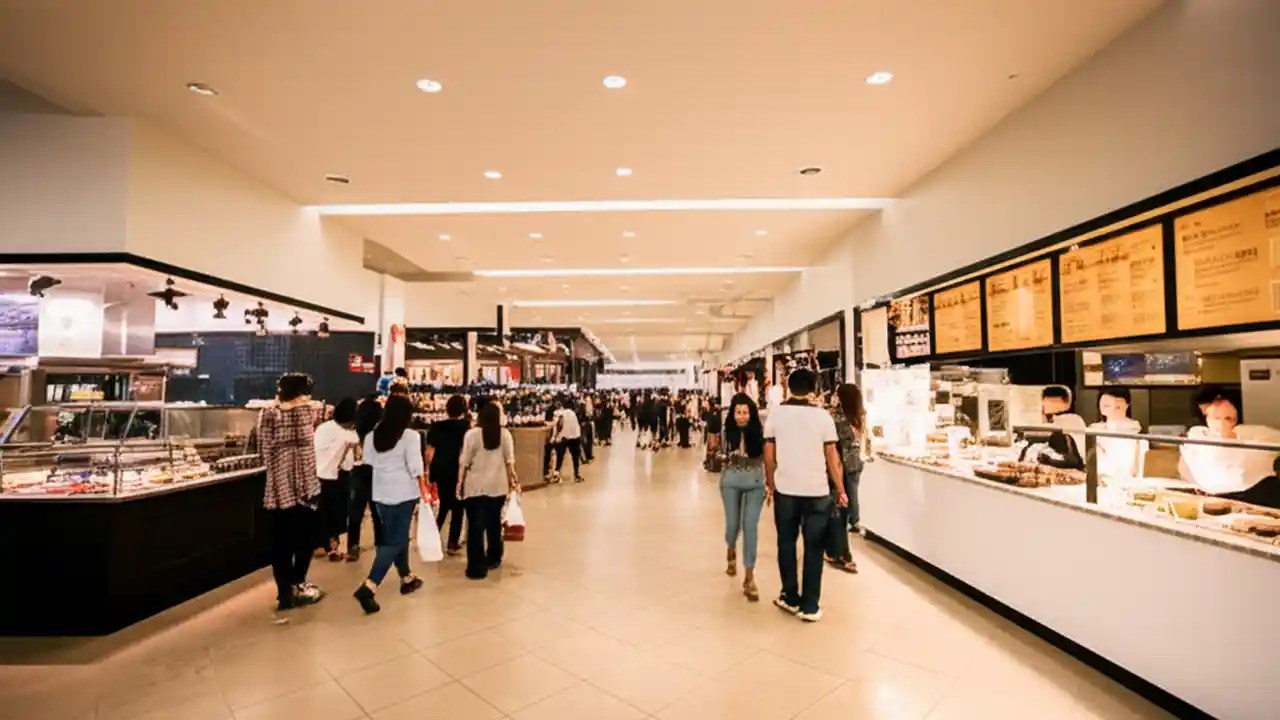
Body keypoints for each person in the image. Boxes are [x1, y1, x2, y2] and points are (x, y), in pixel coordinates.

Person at [764, 368, 847, 623]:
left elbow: (769, 454)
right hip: (817, 492)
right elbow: (832, 457)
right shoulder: (823, 417)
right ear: (813, 389)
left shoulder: (776, 415)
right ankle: (810, 605)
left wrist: (770, 482)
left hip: (786, 490)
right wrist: (841, 489)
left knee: (786, 543)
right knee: (814, 548)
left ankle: (790, 596)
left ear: (789, 388)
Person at [352, 395, 427, 614]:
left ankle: (406, 577)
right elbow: (415, 467)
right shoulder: (410, 436)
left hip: (381, 494)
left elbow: (369, 462)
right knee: (395, 540)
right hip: (404, 493)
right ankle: (369, 586)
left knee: (395, 535)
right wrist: (424, 489)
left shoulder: (373, 435)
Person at [259, 372, 325, 611]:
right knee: (305, 538)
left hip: (279, 485)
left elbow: (264, 449)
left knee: (280, 542)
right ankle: (299, 582)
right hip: (307, 481)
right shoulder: (311, 410)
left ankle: (284, 592)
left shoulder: (268, 413)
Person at [1180, 393, 1280, 508]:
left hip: (1250, 492)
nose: (1222, 423)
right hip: (1216, 493)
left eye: (1228, 418)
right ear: (1206, 417)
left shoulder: (1252, 436)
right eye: (1217, 418)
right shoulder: (1197, 436)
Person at [460, 401, 520, 579]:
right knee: (494, 523)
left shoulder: (472, 435)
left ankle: (476, 567)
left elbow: (465, 462)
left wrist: (459, 482)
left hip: (474, 486)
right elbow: (510, 462)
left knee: (475, 528)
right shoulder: (505, 434)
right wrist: (513, 482)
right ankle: (494, 557)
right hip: (498, 486)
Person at [721, 393, 766, 602]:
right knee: (733, 525)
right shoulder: (726, 431)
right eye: (738, 412)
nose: (741, 417)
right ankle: (731, 549)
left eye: (745, 412)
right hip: (730, 479)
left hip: (755, 481)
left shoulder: (759, 431)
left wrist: (771, 483)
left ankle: (749, 577)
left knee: (750, 525)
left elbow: (767, 457)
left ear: (751, 413)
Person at [827, 383, 867, 574]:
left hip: (842, 466)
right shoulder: (859, 416)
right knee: (848, 503)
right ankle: (841, 549)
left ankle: (841, 553)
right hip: (857, 463)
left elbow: (834, 446)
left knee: (840, 508)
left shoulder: (838, 420)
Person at [315, 398, 359, 561]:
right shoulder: (343, 432)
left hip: (324, 474)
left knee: (328, 512)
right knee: (335, 512)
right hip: (332, 476)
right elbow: (354, 439)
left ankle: (329, 544)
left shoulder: (323, 428)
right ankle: (331, 546)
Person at [426, 394, 470, 555]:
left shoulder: (437, 426)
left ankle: (433, 535)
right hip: (457, 470)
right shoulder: (467, 427)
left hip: (440, 469)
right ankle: (452, 542)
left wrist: (428, 471)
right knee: (458, 506)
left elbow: (429, 453)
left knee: (444, 504)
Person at [347, 395, 383, 561]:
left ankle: (352, 546)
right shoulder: (378, 434)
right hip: (376, 473)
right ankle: (381, 542)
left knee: (356, 512)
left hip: (357, 474)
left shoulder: (354, 433)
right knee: (377, 511)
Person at [1091, 388, 1145, 481]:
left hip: (1123, 482)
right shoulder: (1094, 429)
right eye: (1104, 404)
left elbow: (1130, 469)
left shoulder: (1134, 431)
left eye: (1117, 405)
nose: (1108, 406)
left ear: (1126, 405)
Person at [552, 399, 585, 482]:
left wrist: (556, 436)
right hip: (575, 437)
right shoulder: (573, 413)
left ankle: (556, 473)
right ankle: (576, 475)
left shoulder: (559, 413)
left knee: (560, 456)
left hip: (564, 437)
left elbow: (559, 424)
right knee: (575, 457)